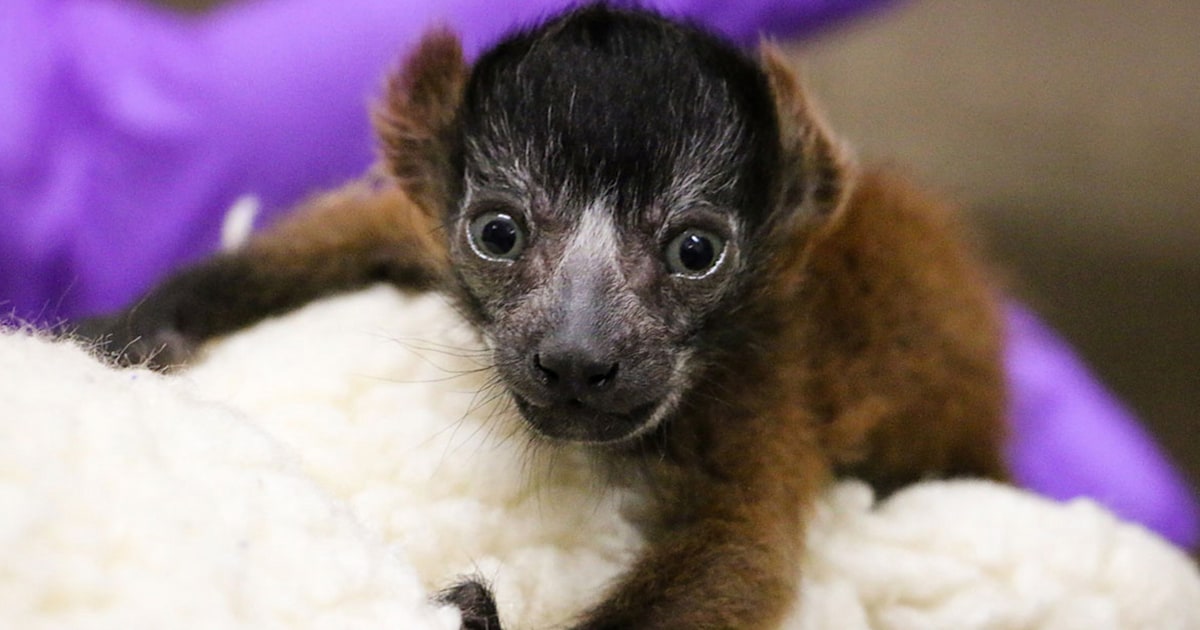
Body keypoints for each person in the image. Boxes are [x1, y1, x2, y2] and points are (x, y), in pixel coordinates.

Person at [1, 0, 1195, 548]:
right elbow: (333, 243)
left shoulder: (775, 341)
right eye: (505, 237)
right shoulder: (418, 206)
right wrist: (155, 316)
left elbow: (732, 572)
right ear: (417, 158)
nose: (578, 342)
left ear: (798, 211)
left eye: (689, 253)